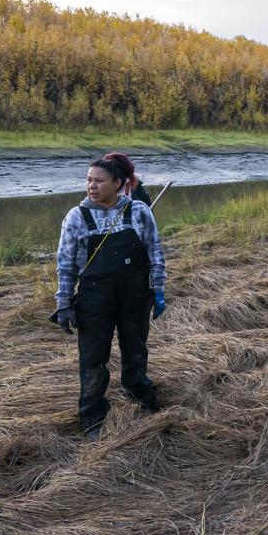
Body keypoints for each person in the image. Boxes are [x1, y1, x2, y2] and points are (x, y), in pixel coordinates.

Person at [54, 153, 167, 440]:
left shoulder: (140, 211)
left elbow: (155, 251)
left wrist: (158, 289)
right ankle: (92, 415)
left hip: (135, 296)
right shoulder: (76, 217)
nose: (92, 186)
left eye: (99, 181)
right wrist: (64, 303)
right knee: (93, 358)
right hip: (94, 300)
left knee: (136, 349)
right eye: (89, 180)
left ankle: (141, 399)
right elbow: (66, 264)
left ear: (118, 183)